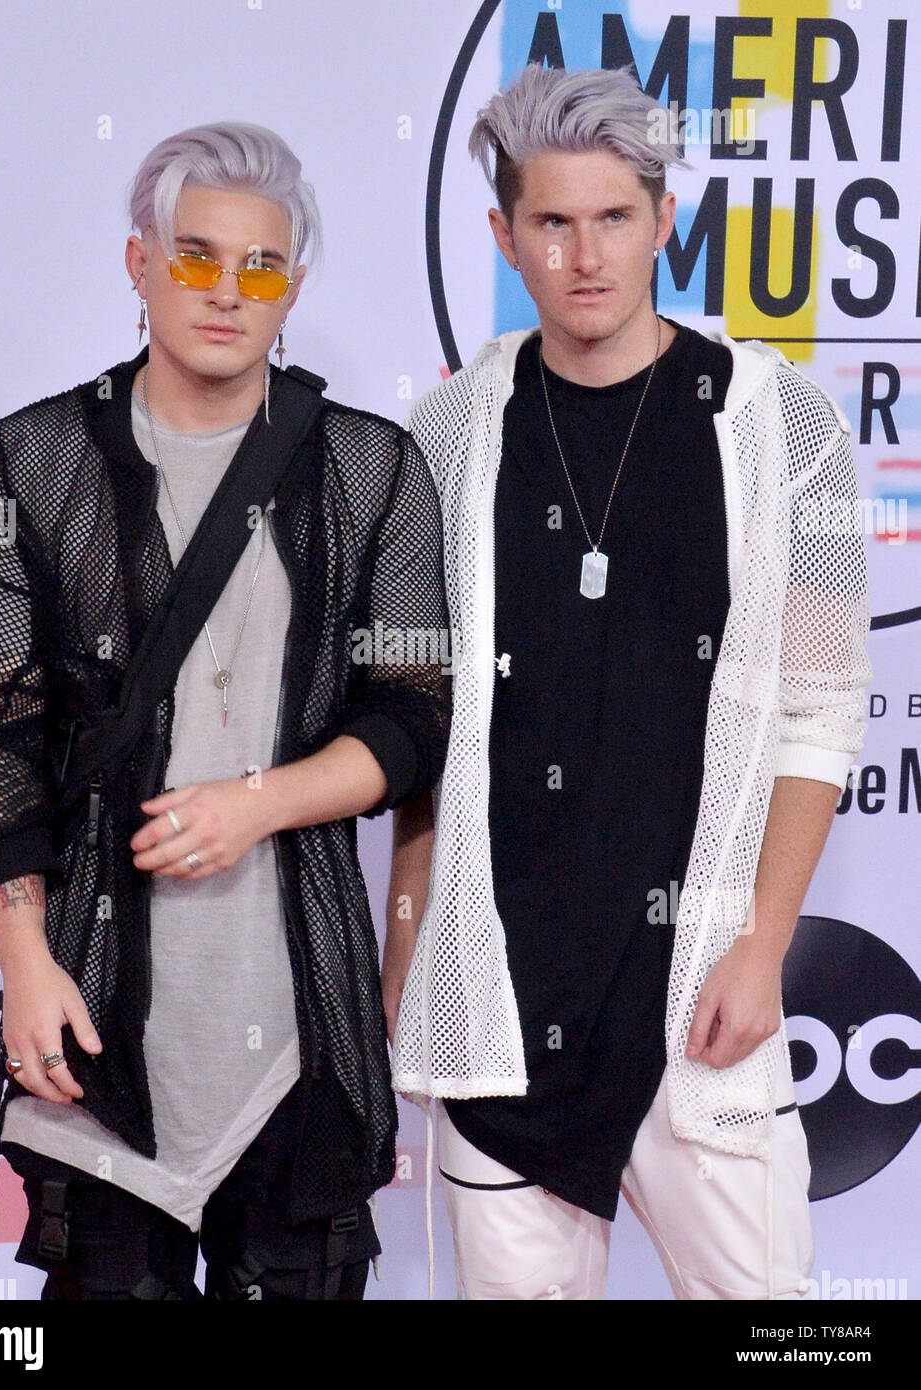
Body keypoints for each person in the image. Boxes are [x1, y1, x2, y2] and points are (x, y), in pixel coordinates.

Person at [385, 65, 871, 1300]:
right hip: (503, 1001)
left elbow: (820, 711)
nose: (585, 254)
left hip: (701, 993)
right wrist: (409, 953)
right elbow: (426, 733)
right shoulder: (448, 435)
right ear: (504, 236)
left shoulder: (783, 425)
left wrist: (762, 946)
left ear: (665, 219)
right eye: (551, 222)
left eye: (614, 217)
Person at [0, 120, 452, 1300]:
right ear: (139, 263)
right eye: (196, 256)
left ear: (294, 289)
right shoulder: (28, 461)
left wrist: (258, 802)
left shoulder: (371, 467)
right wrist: (22, 959)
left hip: (298, 1032)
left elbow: (416, 720)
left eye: (262, 268)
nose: (229, 292)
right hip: (94, 1026)